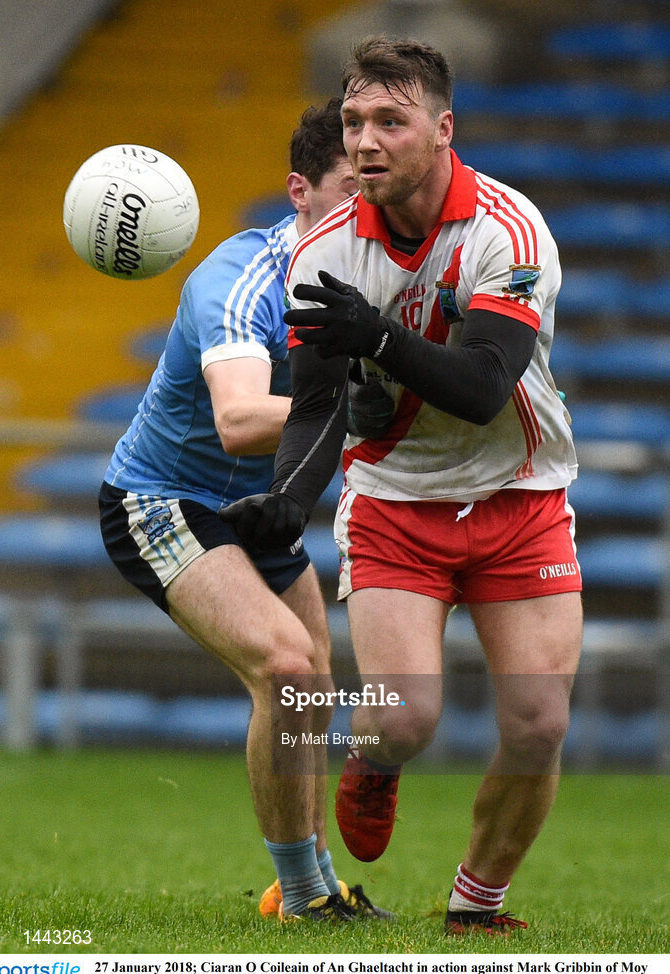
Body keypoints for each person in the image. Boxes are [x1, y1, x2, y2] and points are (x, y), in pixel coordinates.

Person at [220, 37, 583, 935]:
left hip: (521, 494)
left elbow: (482, 388)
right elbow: (314, 410)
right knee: (406, 719)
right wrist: (289, 503)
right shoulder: (322, 253)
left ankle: (476, 907)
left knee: (538, 724)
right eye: (353, 122)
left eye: (391, 119)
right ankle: (374, 760)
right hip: (395, 504)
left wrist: (376, 338)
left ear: (442, 128)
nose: (368, 140)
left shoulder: (510, 229)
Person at [98, 98, 391, 923]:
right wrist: (366, 402)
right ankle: (302, 896)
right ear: (299, 191)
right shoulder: (239, 280)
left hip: (257, 509)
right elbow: (236, 421)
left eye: (374, 191)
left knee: (312, 689)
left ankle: (314, 887)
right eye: (345, 190)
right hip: (163, 501)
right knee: (287, 668)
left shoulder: (369, 279)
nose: (363, 212)